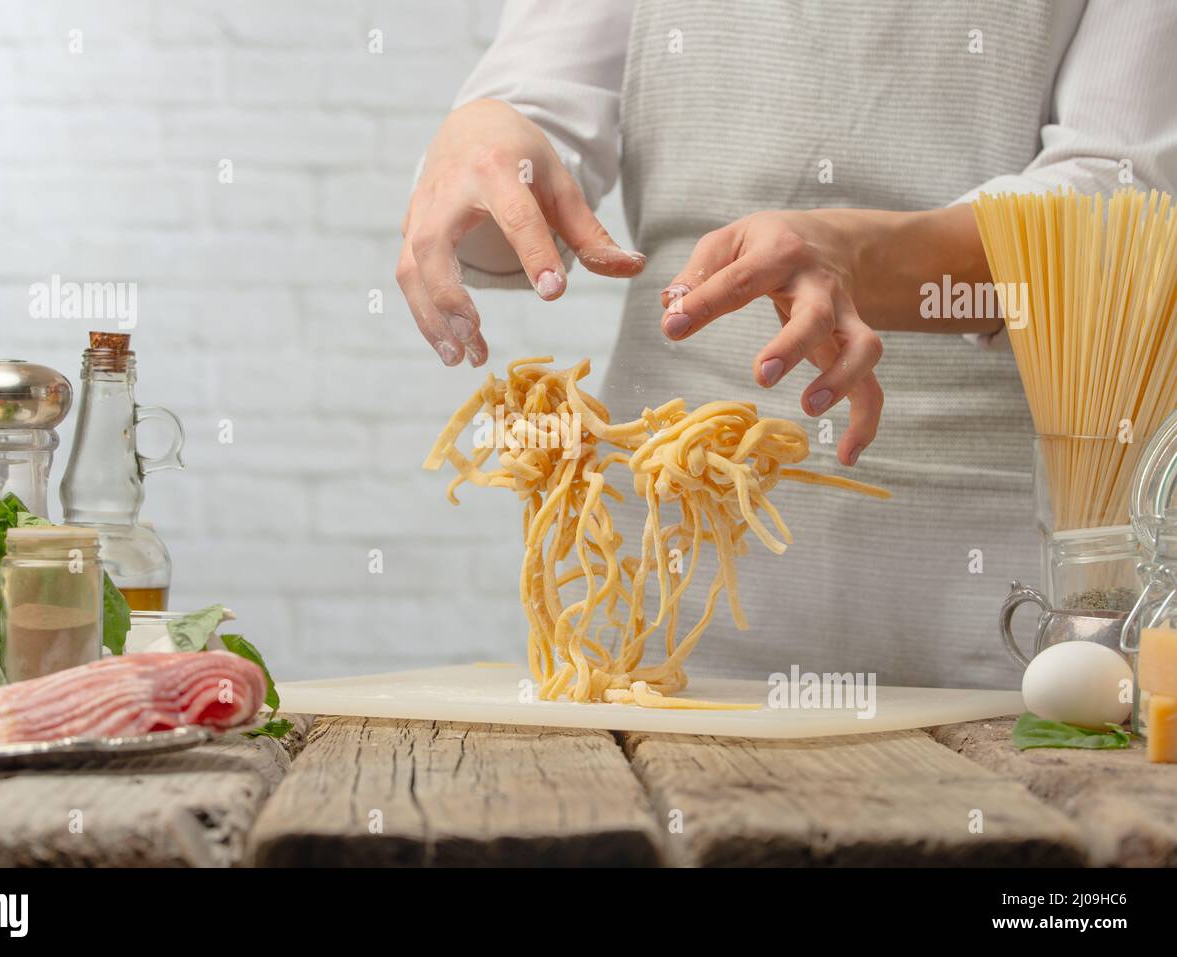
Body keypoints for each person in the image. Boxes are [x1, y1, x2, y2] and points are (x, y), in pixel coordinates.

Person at [397, 0, 1177, 689]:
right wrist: (488, 149)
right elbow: (539, 130)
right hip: (657, 575)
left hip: (994, 587)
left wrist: (853, 252)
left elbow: (1124, 191)